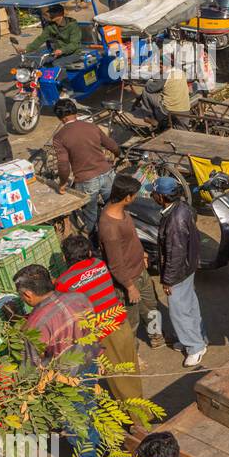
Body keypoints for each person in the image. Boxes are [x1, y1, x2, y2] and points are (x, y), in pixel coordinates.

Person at [57, 235, 141, 402]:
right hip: (121, 323)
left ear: (65, 257)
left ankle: (136, 421)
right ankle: (142, 407)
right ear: (89, 252)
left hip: (103, 333)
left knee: (118, 376)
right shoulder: (100, 264)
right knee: (131, 369)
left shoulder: (64, 282)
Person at [99, 174, 163, 347]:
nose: (136, 197)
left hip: (141, 271)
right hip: (128, 281)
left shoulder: (122, 212)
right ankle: (131, 353)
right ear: (127, 197)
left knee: (151, 309)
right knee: (131, 321)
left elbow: (132, 238)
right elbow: (115, 264)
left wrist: (142, 253)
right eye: (135, 195)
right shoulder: (109, 228)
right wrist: (129, 287)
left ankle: (156, 338)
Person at [151, 176, 206, 368]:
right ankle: (197, 337)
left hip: (179, 271)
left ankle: (195, 347)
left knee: (179, 311)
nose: (152, 196)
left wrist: (167, 280)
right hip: (187, 267)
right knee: (189, 304)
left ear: (161, 196)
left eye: (154, 193)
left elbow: (175, 253)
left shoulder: (174, 221)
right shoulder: (182, 208)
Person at [15, 264, 99, 372]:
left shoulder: (34, 325)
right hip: (91, 359)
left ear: (27, 295)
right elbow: (93, 328)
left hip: (67, 377)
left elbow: (32, 364)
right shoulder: (79, 298)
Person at [52, 99, 119, 233]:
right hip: (107, 174)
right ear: (75, 112)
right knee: (113, 206)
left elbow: (64, 165)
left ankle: (94, 241)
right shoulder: (91, 126)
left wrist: (63, 183)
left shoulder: (59, 137)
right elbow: (111, 145)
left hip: (86, 180)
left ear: (61, 118)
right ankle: (116, 231)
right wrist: (117, 155)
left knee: (91, 214)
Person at [139, 66, 191, 130]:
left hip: (170, 109)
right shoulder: (181, 72)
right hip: (185, 108)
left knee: (145, 91)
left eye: (161, 66)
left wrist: (149, 80)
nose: (160, 68)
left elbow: (150, 88)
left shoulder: (166, 75)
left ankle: (149, 115)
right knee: (182, 131)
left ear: (167, 66)